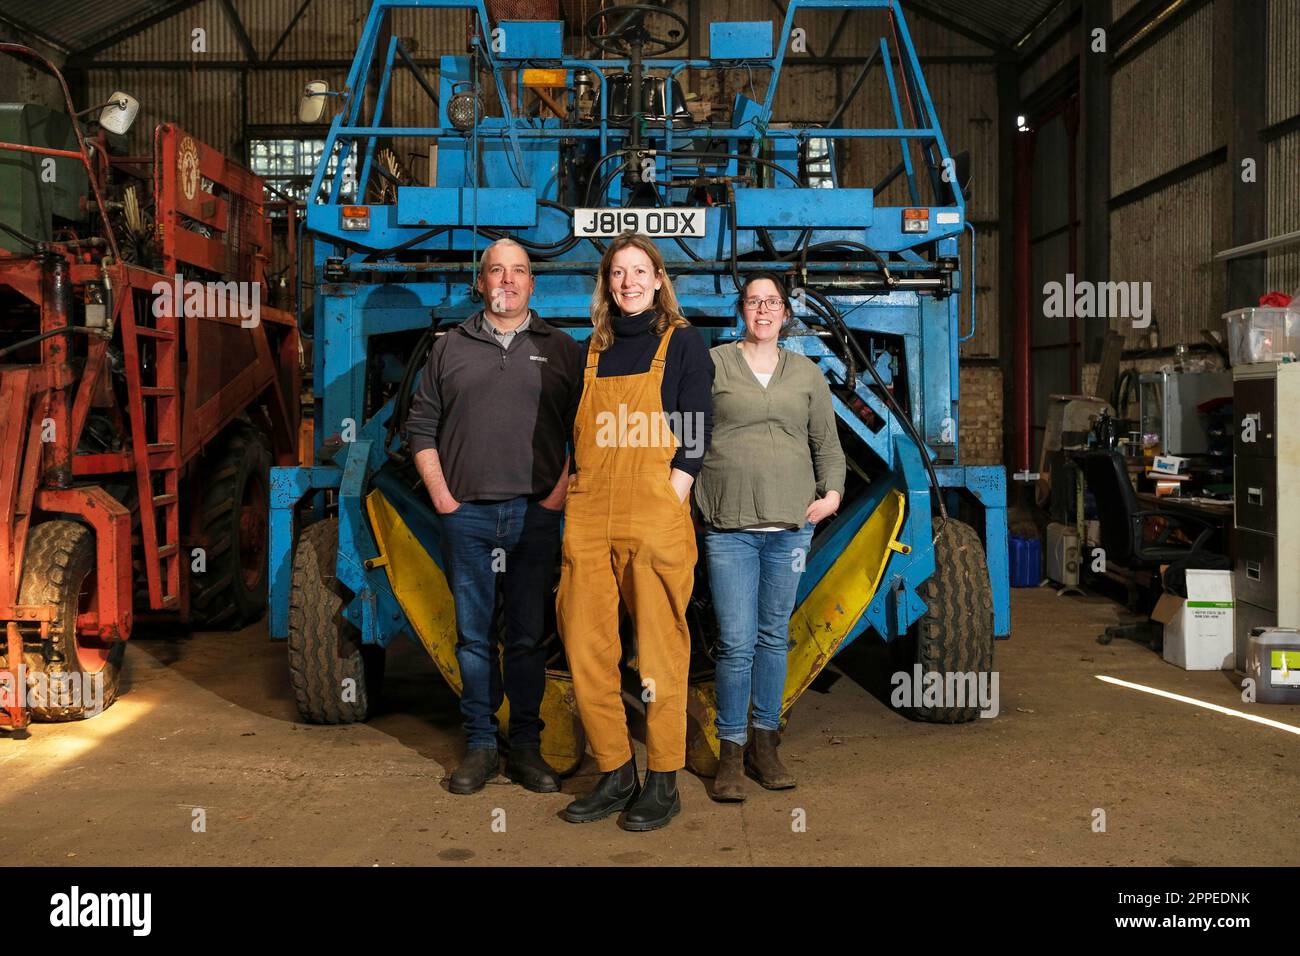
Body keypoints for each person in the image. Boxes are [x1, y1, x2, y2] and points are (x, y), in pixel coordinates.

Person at [405, 238, 584, 795]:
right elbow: (420, 427)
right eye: (495, 271)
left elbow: (585, 431)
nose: (506, 280)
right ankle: (481, 745)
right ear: (480, 283)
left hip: (534, 516)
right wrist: (444, 499)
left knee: (528, 637)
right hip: (468, 517)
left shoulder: (562, 349)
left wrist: (555, 498)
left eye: (519, 272)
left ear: (534, 284)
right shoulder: (449, 347)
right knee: (474, 638)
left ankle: (526, 747)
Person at [556, 233, 714, 831]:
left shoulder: (682, 343)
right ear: (606, 283)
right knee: (586, 646)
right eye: (617, 272)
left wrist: (670, 495)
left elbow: (695, 435)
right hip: (590, 512)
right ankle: (616, 771)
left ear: (657, 279)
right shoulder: (588, 351)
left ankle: (664, 780)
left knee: (658, 651)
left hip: (653, 510)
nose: (627, 282)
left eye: (638, 271)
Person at [694, 273, 845, 802]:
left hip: (790, 530)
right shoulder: (714, 364)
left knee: (773, 636)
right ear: (742, 310)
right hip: (729, 528)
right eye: (754, 301)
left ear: (786, 312)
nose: (763, 310)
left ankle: (766, 744)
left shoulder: (805, 373)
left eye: (772, 302)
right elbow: (685, 431)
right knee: (736, 642)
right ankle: (731, 753)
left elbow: (826, 442)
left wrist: (831, 496)